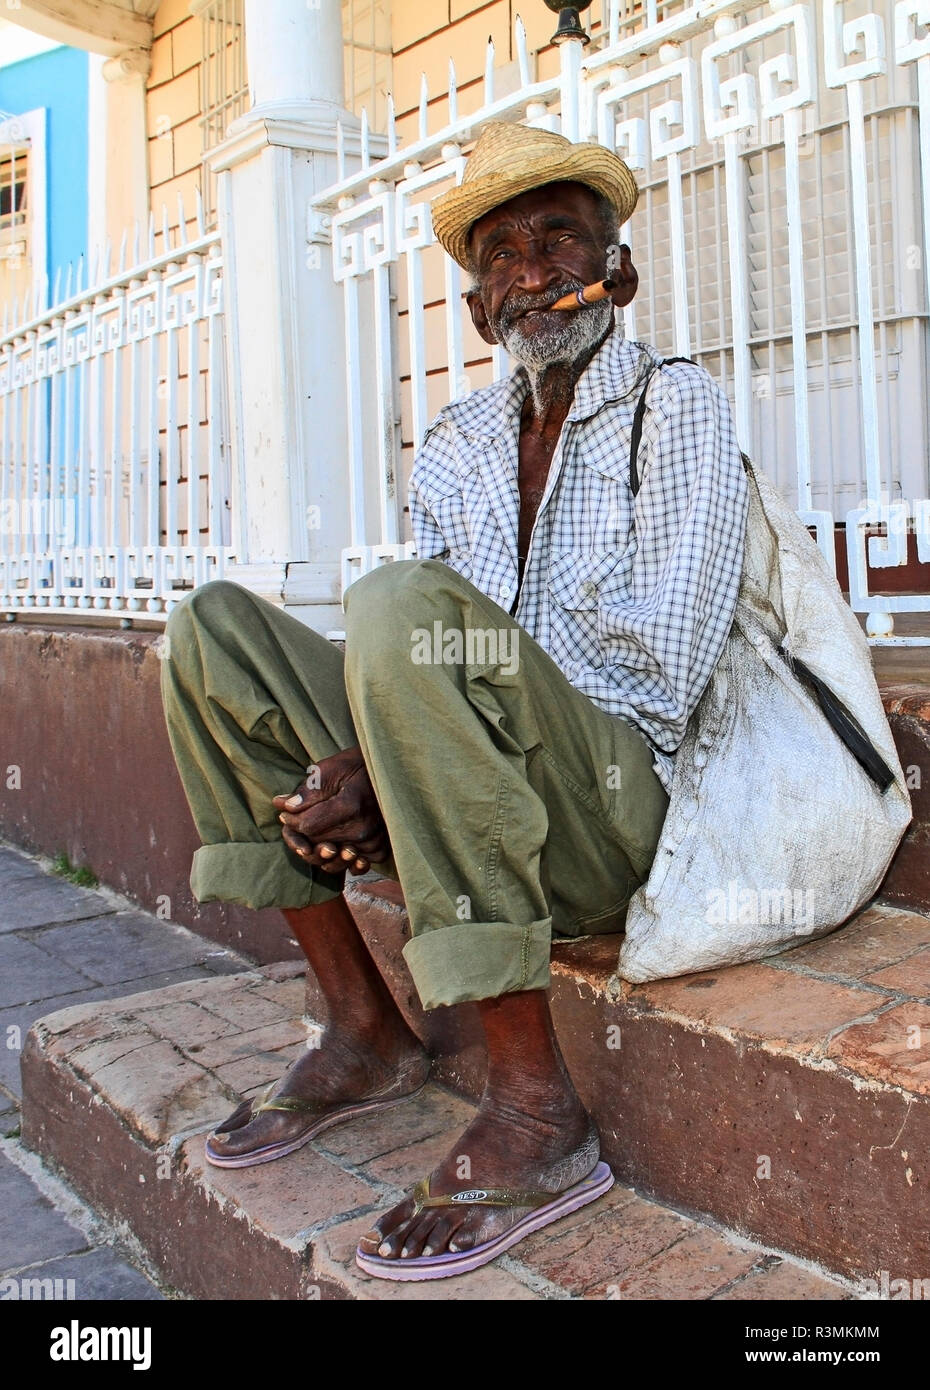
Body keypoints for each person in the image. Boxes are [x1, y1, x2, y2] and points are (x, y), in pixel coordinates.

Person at [160, 121, 749, 1280]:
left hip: (616, 807)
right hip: (473, 779)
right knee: (209, 634)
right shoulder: (460, 439)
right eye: (502, 256)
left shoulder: (677, 409)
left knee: (393, 605)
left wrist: (406, 757)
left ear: (617, 271)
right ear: (480, 310)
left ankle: (537, 1109)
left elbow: (663, 674)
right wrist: (383, 761)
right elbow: (426, 654)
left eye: (559, 238)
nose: (532, 269)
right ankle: (361, 1024)